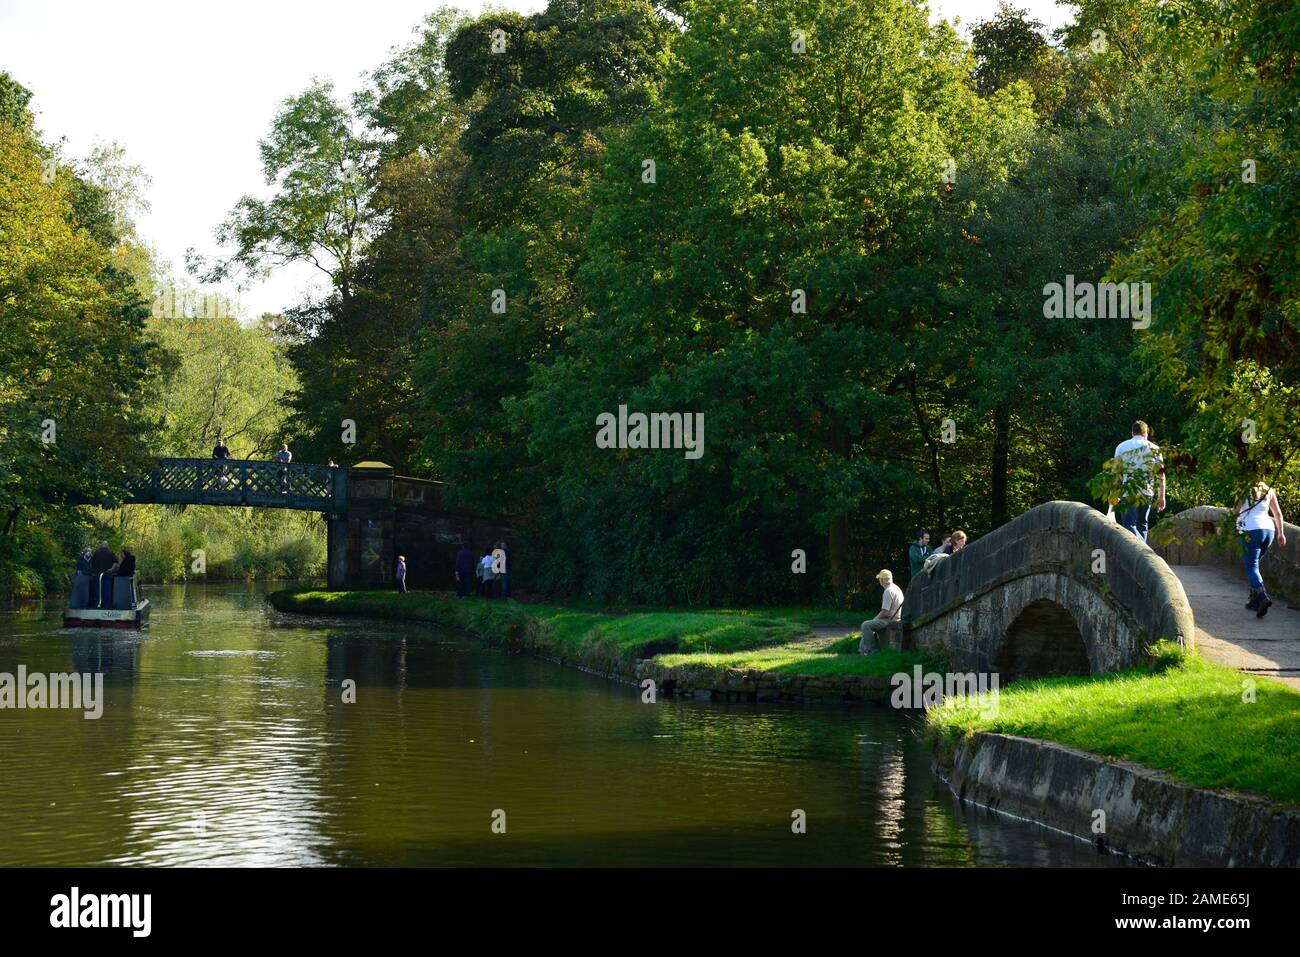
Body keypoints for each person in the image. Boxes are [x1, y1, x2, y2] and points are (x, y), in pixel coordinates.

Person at [1236, 481, 1287, 618]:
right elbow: (1278, 513)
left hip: (1250, 530)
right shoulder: (1269, 489)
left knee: (1252, 567)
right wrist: (1281, 533)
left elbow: (1236, 511)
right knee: (1254, 566)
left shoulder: (1244, 488)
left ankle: (1262, 598)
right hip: (1268, 531)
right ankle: (1254, 601)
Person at [1113, 420, 1166, 542]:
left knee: (1128, 524)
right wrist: (1161, 497)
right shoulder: (1154, 448)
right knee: (1142, 524)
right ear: (1145, 433)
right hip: (1146, 491)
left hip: (1128, 491)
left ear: (1132, 433)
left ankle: (1137, 552)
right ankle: (1143, 552)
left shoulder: (1121, 447)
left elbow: (1116, 473)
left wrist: (1114, 493)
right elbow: (1161, 475)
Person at [860, 570, 904, 654]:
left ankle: (873, 650)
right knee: (869, 623)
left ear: (882, 580)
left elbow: (885, 613)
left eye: (879, 579)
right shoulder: (896, 588)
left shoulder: (888, 591)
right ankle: (862, 650)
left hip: (891, 620)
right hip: (896, 618)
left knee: (865, 625)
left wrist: (875, 618)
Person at [89, 540, 118, 609]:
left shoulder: (96, 553)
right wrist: (111, 569)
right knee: (107, 590)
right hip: (107, 573)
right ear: (107, 545)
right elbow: (115, 562)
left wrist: (94, 571)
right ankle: (106, 606)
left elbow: (92, 563)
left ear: (101, 545)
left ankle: (97, 606)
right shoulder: (111, 553)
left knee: (97, 590)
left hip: (98, 574)